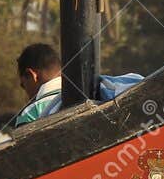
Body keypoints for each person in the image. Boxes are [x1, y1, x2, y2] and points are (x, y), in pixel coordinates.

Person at [13, 42, 146, 126]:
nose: (26, 93)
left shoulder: (31, 113)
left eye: (23, 85)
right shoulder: (101, 90)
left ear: (31, 75)